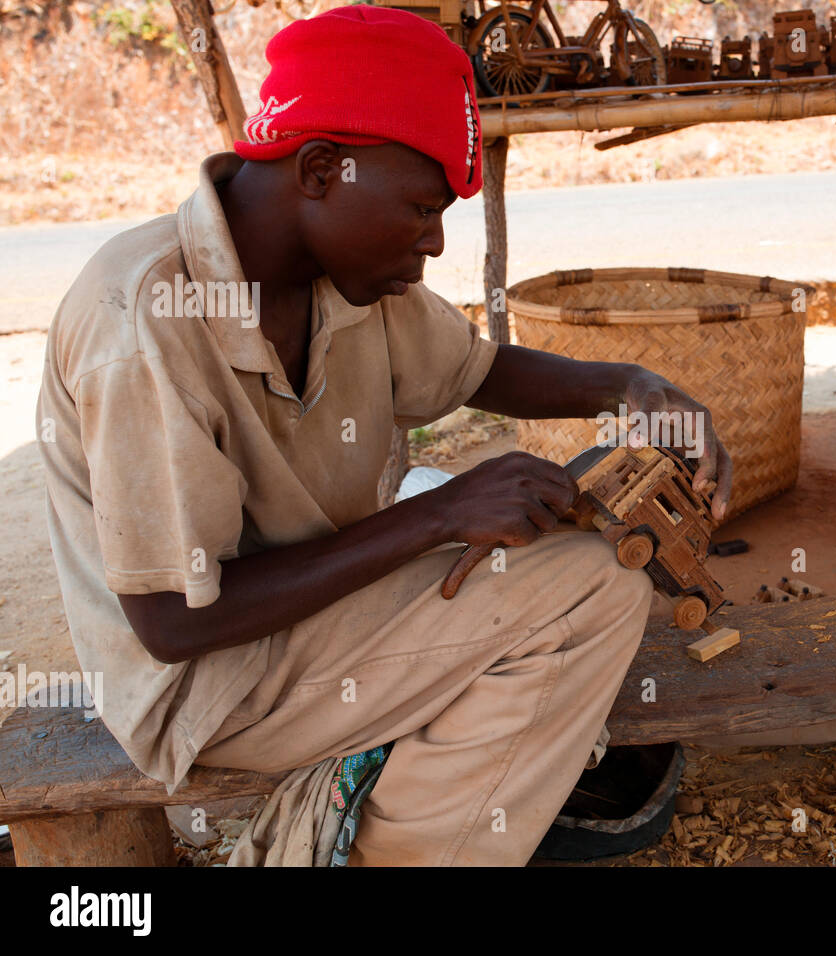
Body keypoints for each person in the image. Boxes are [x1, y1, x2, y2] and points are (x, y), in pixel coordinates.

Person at [35, 4, 732, 866]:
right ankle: (359, 850)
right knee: (591, 594)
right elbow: (176, 622)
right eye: (421, 211)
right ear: (323, 170)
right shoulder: (143, 319)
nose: (434, 245)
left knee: (541, 552)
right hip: (209, 686)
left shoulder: (344, 277)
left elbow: (475, 370)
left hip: (314, 617)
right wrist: (435, 519)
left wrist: (630, 388)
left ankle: (389, 811)